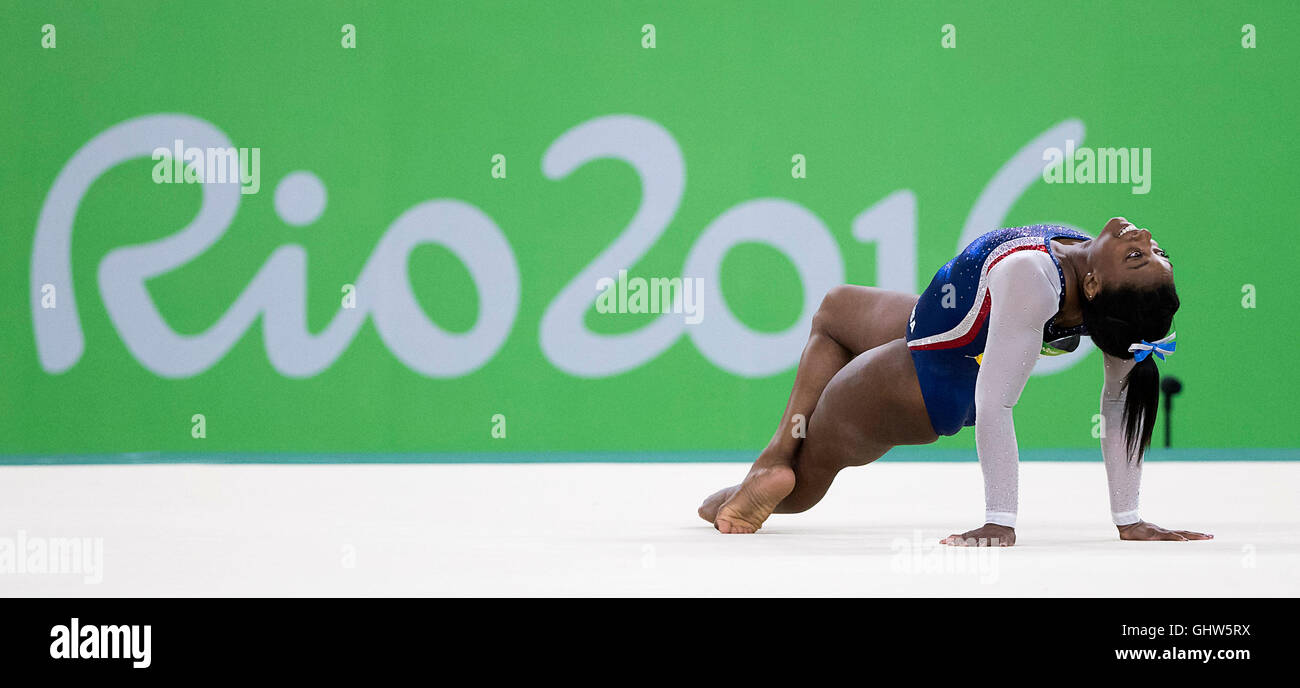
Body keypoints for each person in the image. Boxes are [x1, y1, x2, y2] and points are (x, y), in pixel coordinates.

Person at [697, 217, 1212, 546]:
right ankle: (769, 462)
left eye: (1137, 257)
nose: (1143, 238)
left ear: (1096, 285)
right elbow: (1115, 401)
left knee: (813, 467)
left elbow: (998, 406)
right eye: (1153, 248)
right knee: (835, 309)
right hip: (933, 329)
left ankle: (778, 481)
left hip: (930, 379)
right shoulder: (1087, 269)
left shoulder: (1034, 277)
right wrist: (1127, 519)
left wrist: (999, 519)